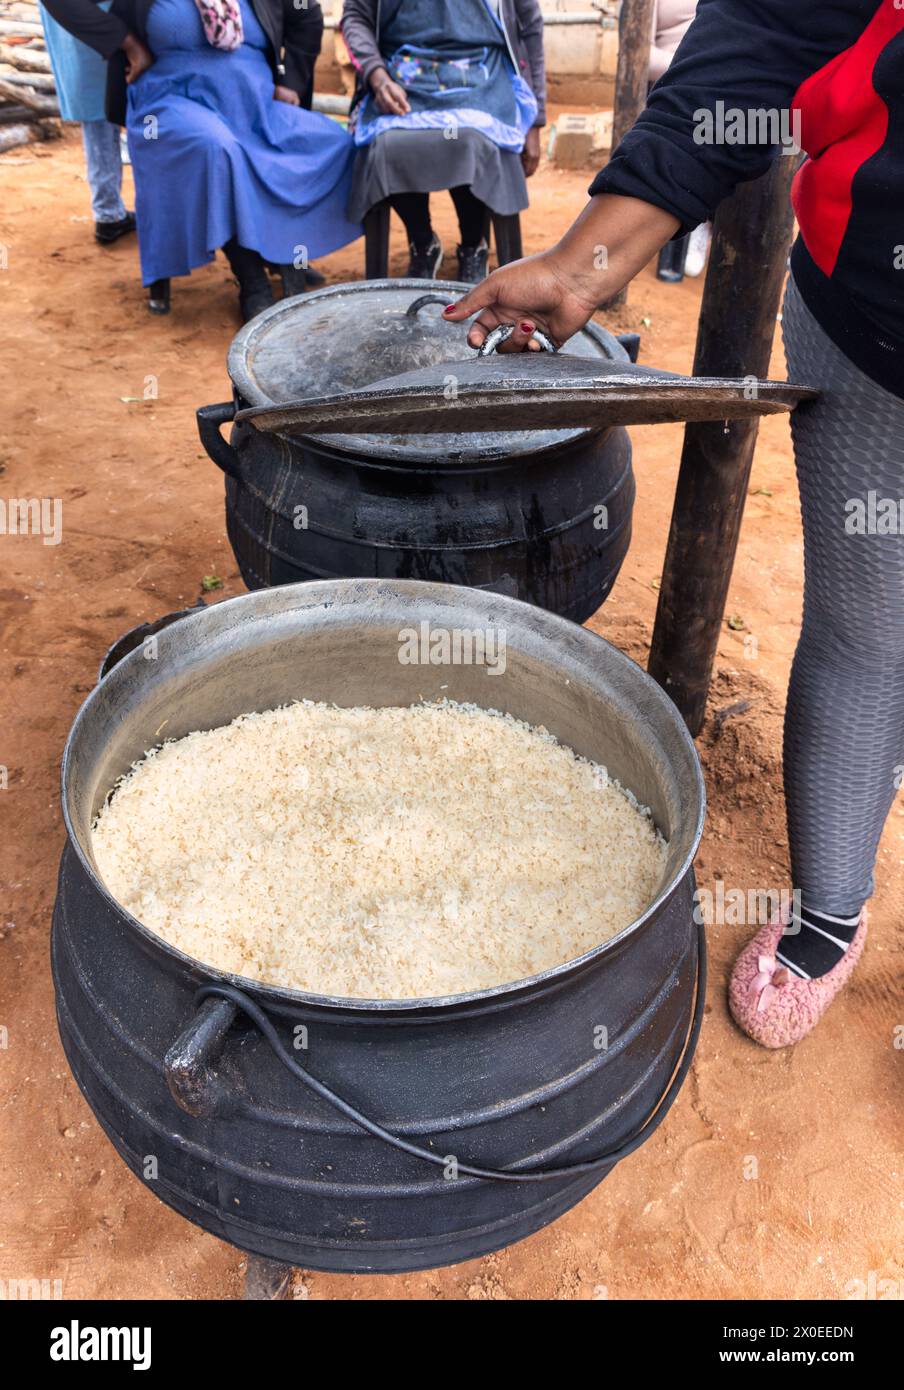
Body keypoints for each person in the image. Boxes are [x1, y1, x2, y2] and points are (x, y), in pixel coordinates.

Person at [445, 0, 904, 1048]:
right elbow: (772, 25)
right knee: (870, 627)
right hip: (878, 320)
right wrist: (583, 267)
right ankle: (832, 905)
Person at [41, 0, 362, 321]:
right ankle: (251, 277)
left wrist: (291, 81)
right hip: (170, 98)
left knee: (334, 143)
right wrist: (125, 41)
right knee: (218, 148)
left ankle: (285, 250)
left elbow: (306, 14)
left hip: (252, 103)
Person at [341, 0, 545, 283]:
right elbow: (356, 17)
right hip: (405, 74)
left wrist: (536, 120)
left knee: (470, 141)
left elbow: (530, 23)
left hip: (480, 71)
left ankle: (474, 246)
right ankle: (423, 242)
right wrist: (377, 76)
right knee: (388, 145)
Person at [39, 3, 136, 244]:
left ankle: (109, 211)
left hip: (88, 29)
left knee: (100, 123)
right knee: (117, 115)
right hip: (100, 27)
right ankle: (110, 213)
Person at [647, 0, 710, 282]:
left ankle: (705, 223)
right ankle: (687, 222)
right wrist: (695, 71)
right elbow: (640, 55)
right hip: (674, 85)